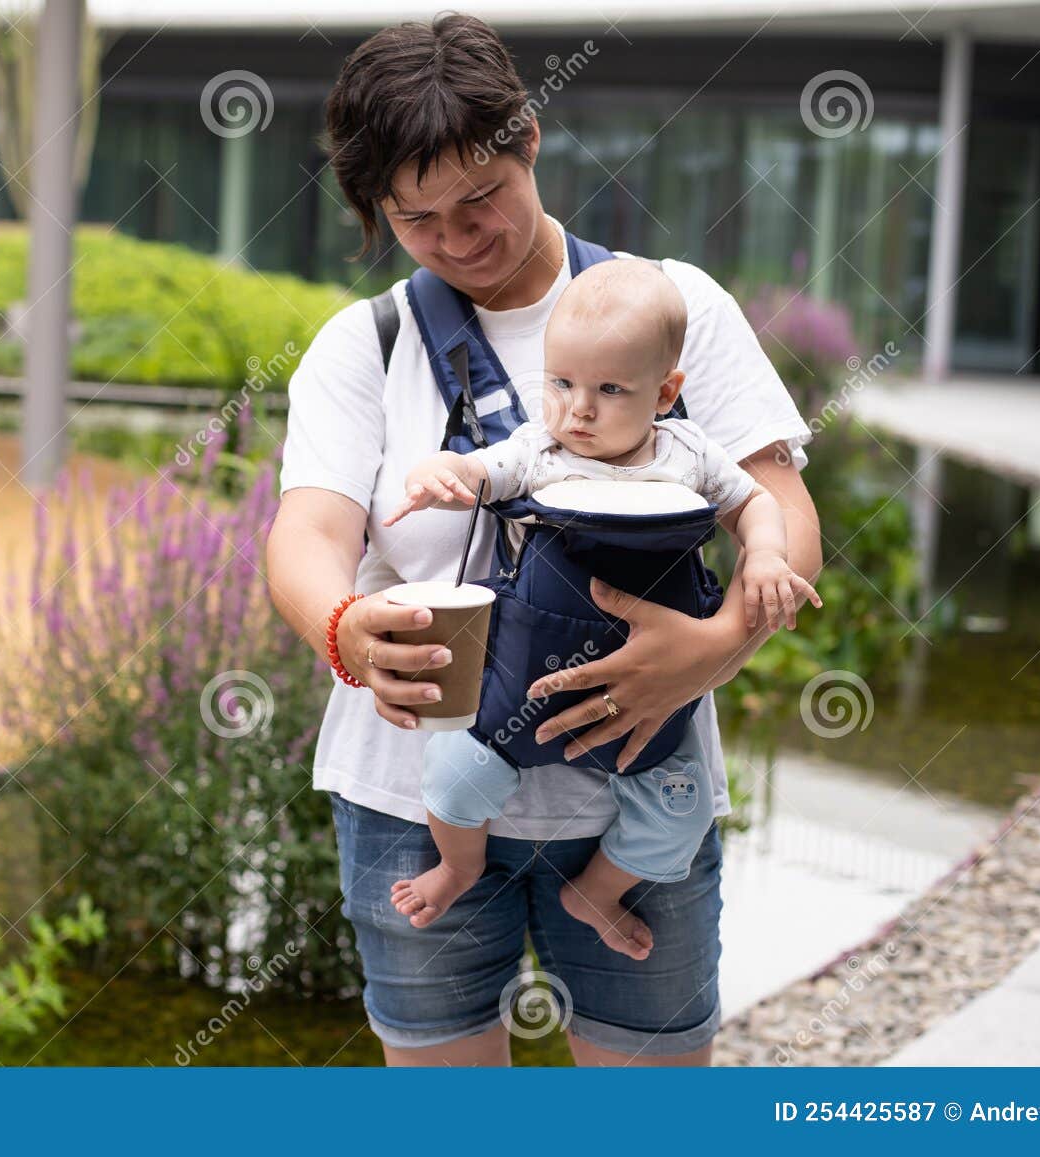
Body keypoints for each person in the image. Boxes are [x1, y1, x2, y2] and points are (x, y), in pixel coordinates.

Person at [266, 14, 820, 1067]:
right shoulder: (366, 342)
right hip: (412, 798)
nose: (460, 235)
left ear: (528, 140)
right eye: (417, 218)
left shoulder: (671, 306)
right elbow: (306, 535)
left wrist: (715, 648)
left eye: (480, 196)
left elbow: (782, 516)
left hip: (641, 778)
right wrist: (345, 627)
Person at [379, 258, 821, 958]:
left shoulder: (688, 453)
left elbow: (757, 502)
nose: (578, 409)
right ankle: (458, 865)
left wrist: (763, 555)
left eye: (610, 389)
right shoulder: (542, 447)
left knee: (681, 811)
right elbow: (484, 470)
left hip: (656, 697)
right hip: (525, 686)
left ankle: (598, 891)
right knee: (452, 773)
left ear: (666, 391)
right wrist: (446, 474)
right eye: (560, 383)